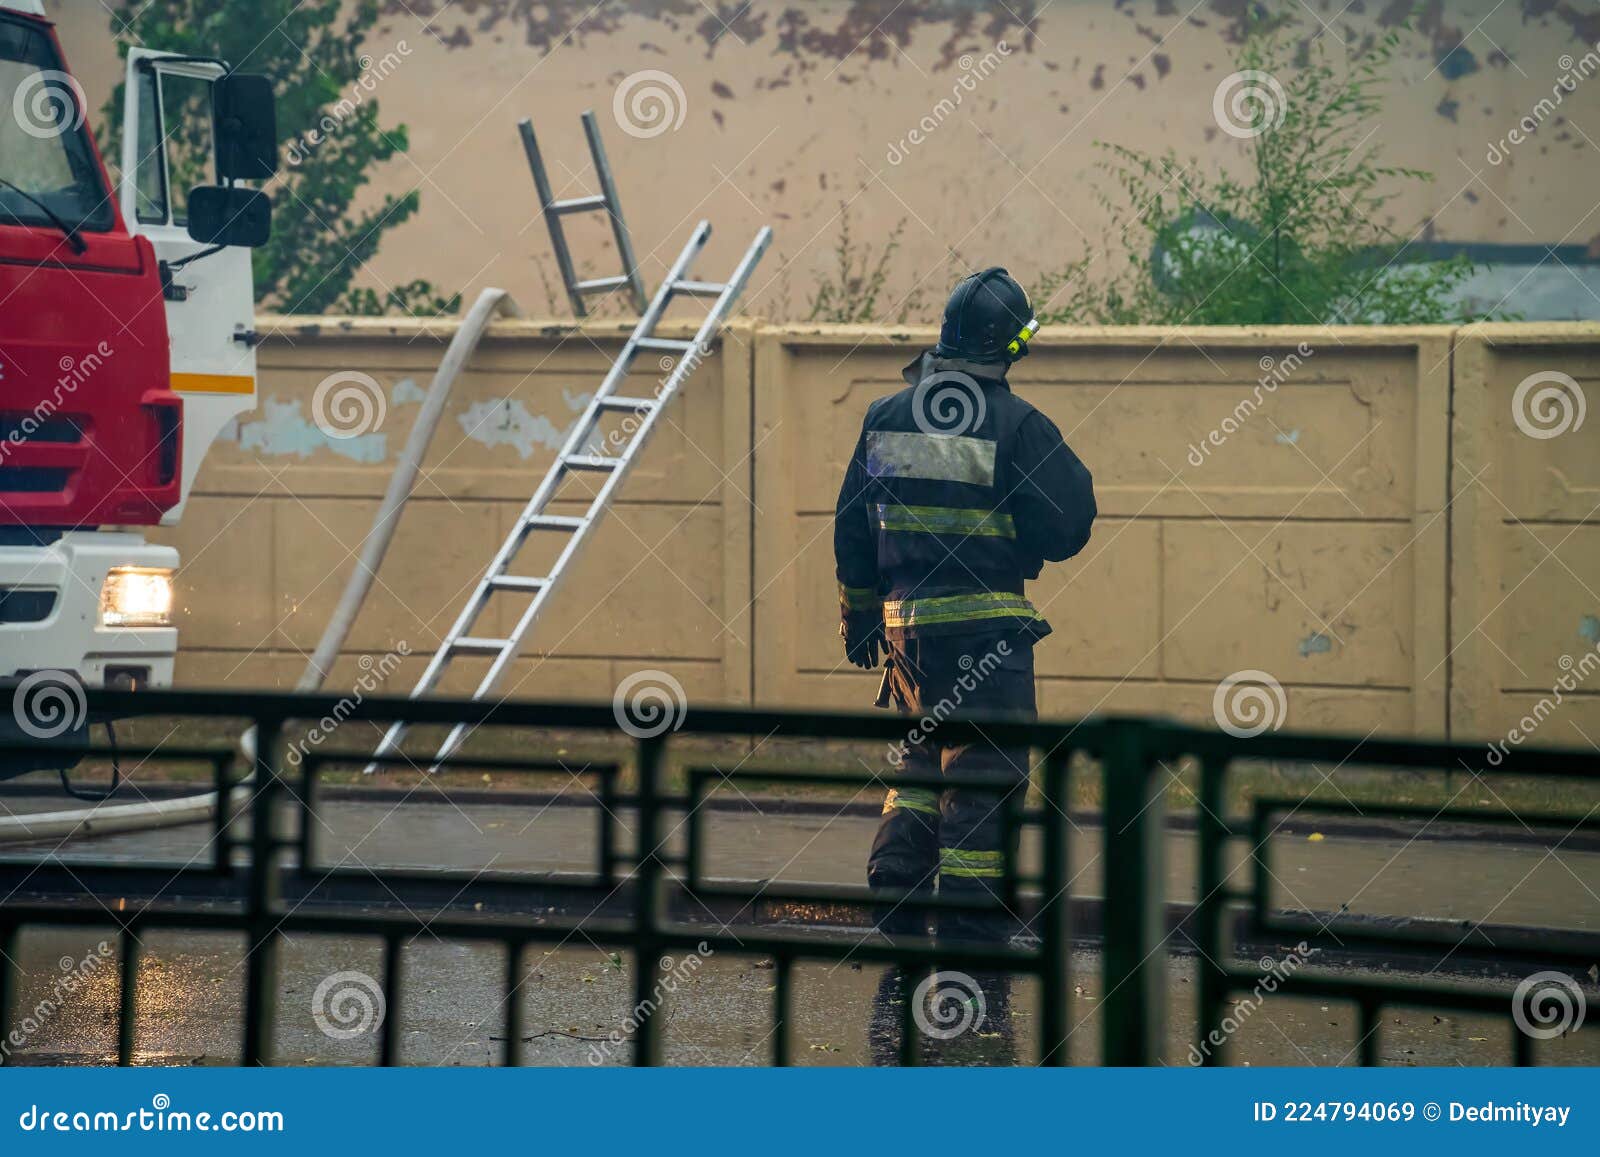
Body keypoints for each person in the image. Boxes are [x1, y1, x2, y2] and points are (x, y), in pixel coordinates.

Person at [833, 267, 1096, 942]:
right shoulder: (1019, 425)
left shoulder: (884, 417)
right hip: (986, 643)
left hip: (907, 642)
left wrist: (860, 616)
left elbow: (852, 527)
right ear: (1008, 345)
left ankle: (896, 888)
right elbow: (1068, 525)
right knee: (982, 775)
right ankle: (970, 927)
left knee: (920, 767)